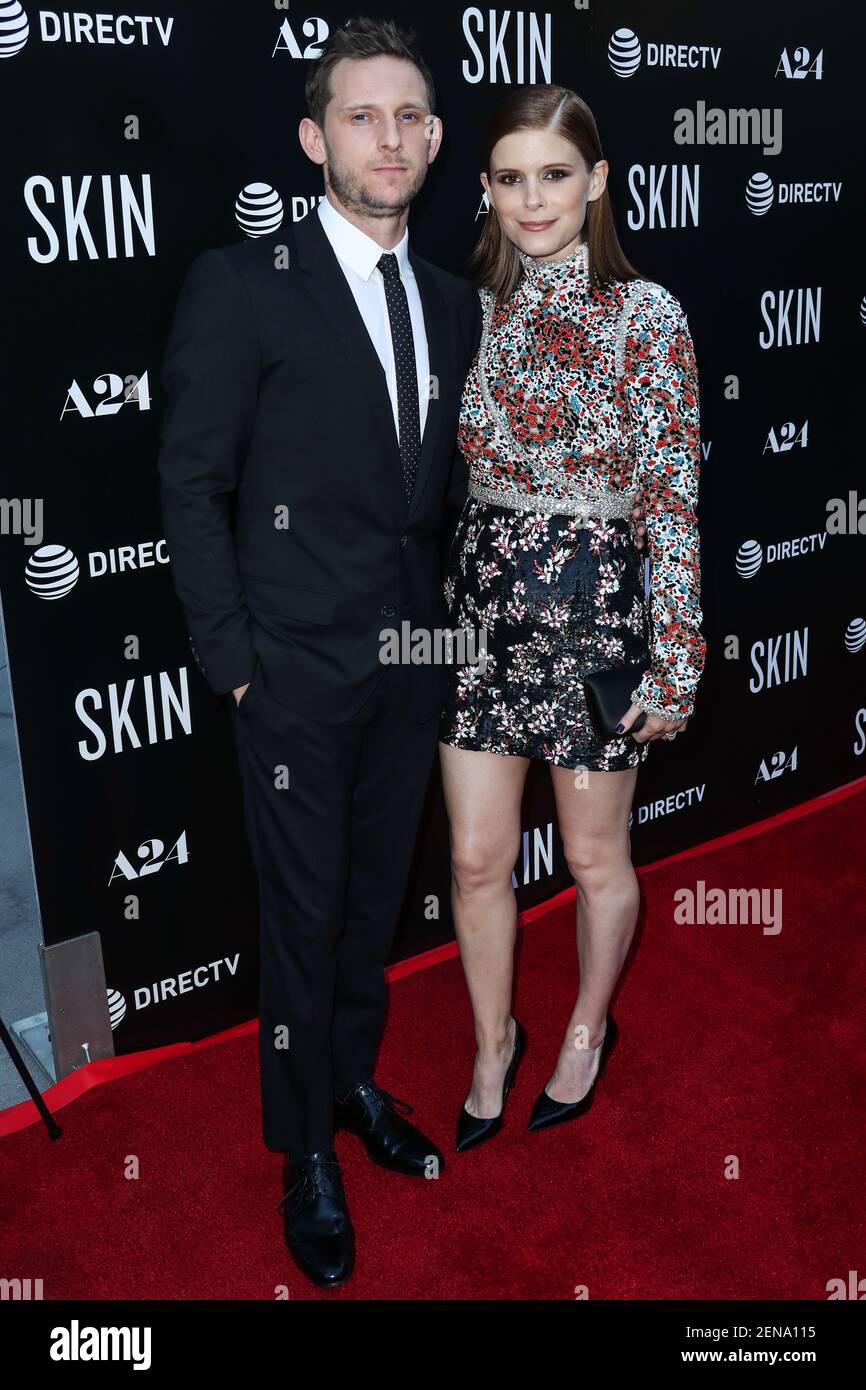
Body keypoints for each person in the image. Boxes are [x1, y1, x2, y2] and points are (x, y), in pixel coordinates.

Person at [156, 18, 485, 1289]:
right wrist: (232, 656)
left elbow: (440, 499)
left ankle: (348, 1078)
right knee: (299, 916)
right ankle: (303, 1153)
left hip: (412, 664)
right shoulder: (243, 284)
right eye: (361, 116)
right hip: (288, 669)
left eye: (408, 117)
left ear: (435, 138)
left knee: (366, 905)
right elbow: (191, 482)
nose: (388, 138)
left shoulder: (453, 301)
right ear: (313, 139)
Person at [438, 84, 706, 1151]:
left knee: (595, 859)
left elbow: (673, 497)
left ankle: (586, 1028)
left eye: (554, 174)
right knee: (471, 858)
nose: (531, 198)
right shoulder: (468, 305)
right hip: (478, 614)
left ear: (595, 181)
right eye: (509, 177)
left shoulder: (646, 315)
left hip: (595, 615)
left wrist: (674, 657)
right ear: (486, 188)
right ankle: (491, 1038)